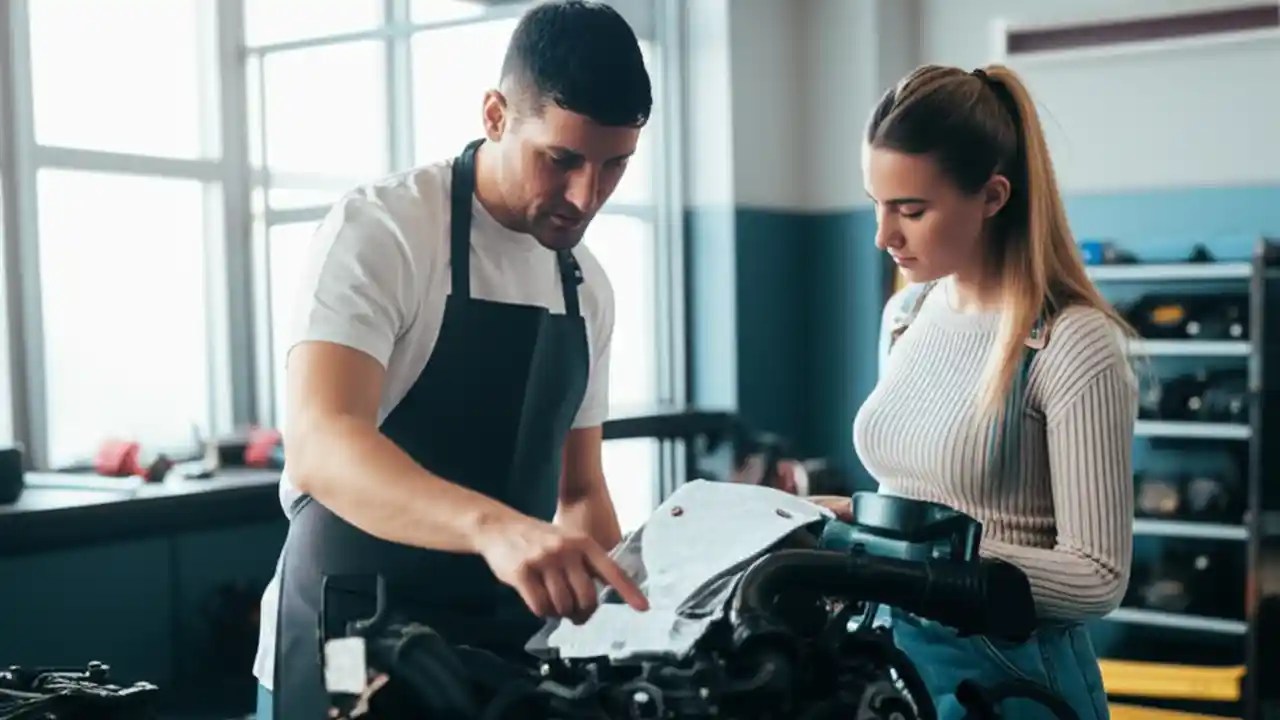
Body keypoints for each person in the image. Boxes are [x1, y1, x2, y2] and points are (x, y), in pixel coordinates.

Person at [251, 2, 653, 717]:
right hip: (348, 639)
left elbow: (582, 492)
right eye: (561, 160)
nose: (586, 196)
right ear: (496, 115)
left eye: (614, 166)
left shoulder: (586, 285)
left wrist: (639, 623)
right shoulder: (384, 229)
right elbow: (322, 441)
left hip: (499, 653)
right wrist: (494, 527)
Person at [849, 64, 1139, 720]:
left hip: (1010, 674)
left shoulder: (1072, 343)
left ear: (993, 196)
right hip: (897, 656)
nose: (883, 236)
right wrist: (847, 524)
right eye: (876, 202)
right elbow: (907, 501)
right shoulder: (906, 317)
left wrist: (912, 558)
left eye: (911, 210)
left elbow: (1098, 577)